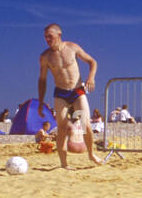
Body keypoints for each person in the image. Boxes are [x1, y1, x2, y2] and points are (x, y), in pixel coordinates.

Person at [38, 23, 104, 167]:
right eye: (45, 37)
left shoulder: (72, 47)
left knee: (85, 124)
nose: (47, 39)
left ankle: (91, 154)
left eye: (50, 36)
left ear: (59, 35)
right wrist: (41, 102)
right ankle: (63, 163)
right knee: (61, 127)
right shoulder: (45, 57)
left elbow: (92, 62)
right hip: (61, 93)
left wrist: (91, 78)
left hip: (77, 91)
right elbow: (42, 80)